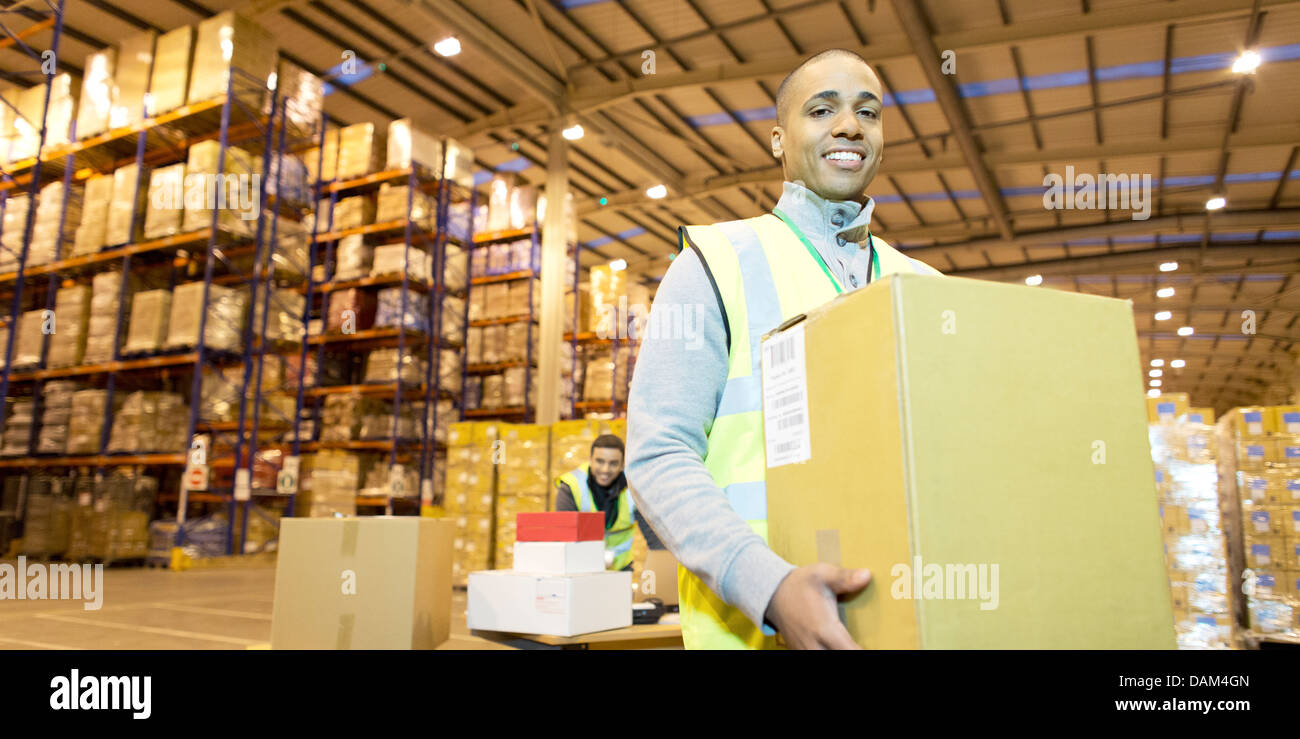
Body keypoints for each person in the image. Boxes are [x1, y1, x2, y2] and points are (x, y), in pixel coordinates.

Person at [625, 49, 943, 650]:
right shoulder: (715, 265)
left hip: (907, 625)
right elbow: (659, 454)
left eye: (867, 113)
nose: (850, 126)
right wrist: (770, 588)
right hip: (753, 632)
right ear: (778, 139)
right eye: (822, 109)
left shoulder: (924, 288)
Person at [554, 434, 663, 571]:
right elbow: (564, 537)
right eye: (600, 461)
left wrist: (663, 570)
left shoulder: (634, 488)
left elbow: (654, 537)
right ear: (590, 460)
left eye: (613, 463)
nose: (605, 470)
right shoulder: (572, 486)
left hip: (620, 569)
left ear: (622, 465)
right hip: (581, 569)